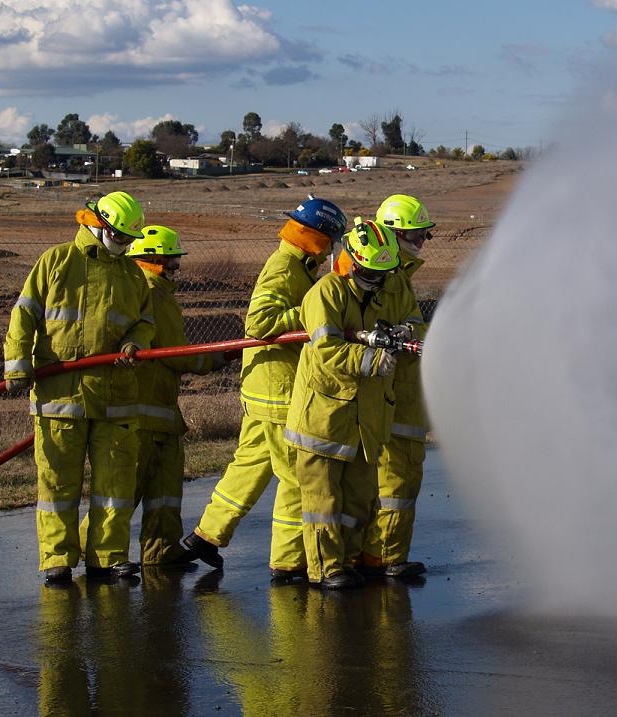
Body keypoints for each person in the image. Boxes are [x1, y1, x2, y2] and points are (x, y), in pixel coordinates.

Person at [184, 197, 346, 583]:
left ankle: (205, 536)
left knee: (250, 467)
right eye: (331, 241)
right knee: (295, 476)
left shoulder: (298, 267)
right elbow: (260, 322)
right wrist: (313, 313)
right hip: (278, 391)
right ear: (319, 238)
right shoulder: (285, 267)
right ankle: (287, 563)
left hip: (265, 386)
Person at [3, 191, 153, 583]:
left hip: (114, 395)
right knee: (57, 484)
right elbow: (25, 314)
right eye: (119, 237)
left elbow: (145, 322)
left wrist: (134, 343)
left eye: (128, 240)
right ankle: (57, 559)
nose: (124, 245)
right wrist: (17, 365)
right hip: (60, 395)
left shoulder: (132, 274)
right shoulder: (57, 262)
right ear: (98, 225)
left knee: (115, 483)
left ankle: (107, 555)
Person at [284, 216, 422, 589]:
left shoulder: (383, 286)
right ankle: (325, 569)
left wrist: (404, 331)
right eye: (373, 273)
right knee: (323, 503)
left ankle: (346, 561)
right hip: (323, 420)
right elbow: (327, 348)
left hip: (365, 421)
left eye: (384, 273)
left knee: (359, 501)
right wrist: (372, 359)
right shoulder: (326, 293)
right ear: (355, 261)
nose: (380, 280)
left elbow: (411, 316)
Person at [123, 225, 223, 565]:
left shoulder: (143, 289)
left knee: (163, 488)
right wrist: (212, 359)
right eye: (171, 261)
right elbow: (172, 351)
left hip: (160, 410)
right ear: (152, 260)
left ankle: (161, 550)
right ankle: (101, 557)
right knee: (127, 490)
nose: (175, 268)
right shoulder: (153, 293)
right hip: (143, 411)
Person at [360, 195, 433, 578]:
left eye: (424, 235)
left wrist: (412, 330)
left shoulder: (397, 275)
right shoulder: (387, 276)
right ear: (394, 233)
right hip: (395, 395)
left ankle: (381, 555)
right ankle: (385, 558)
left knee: (392, 478)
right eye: (416, 235)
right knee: (397, 478)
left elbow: (406, 323)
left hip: (399, 393)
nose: (422, 242)